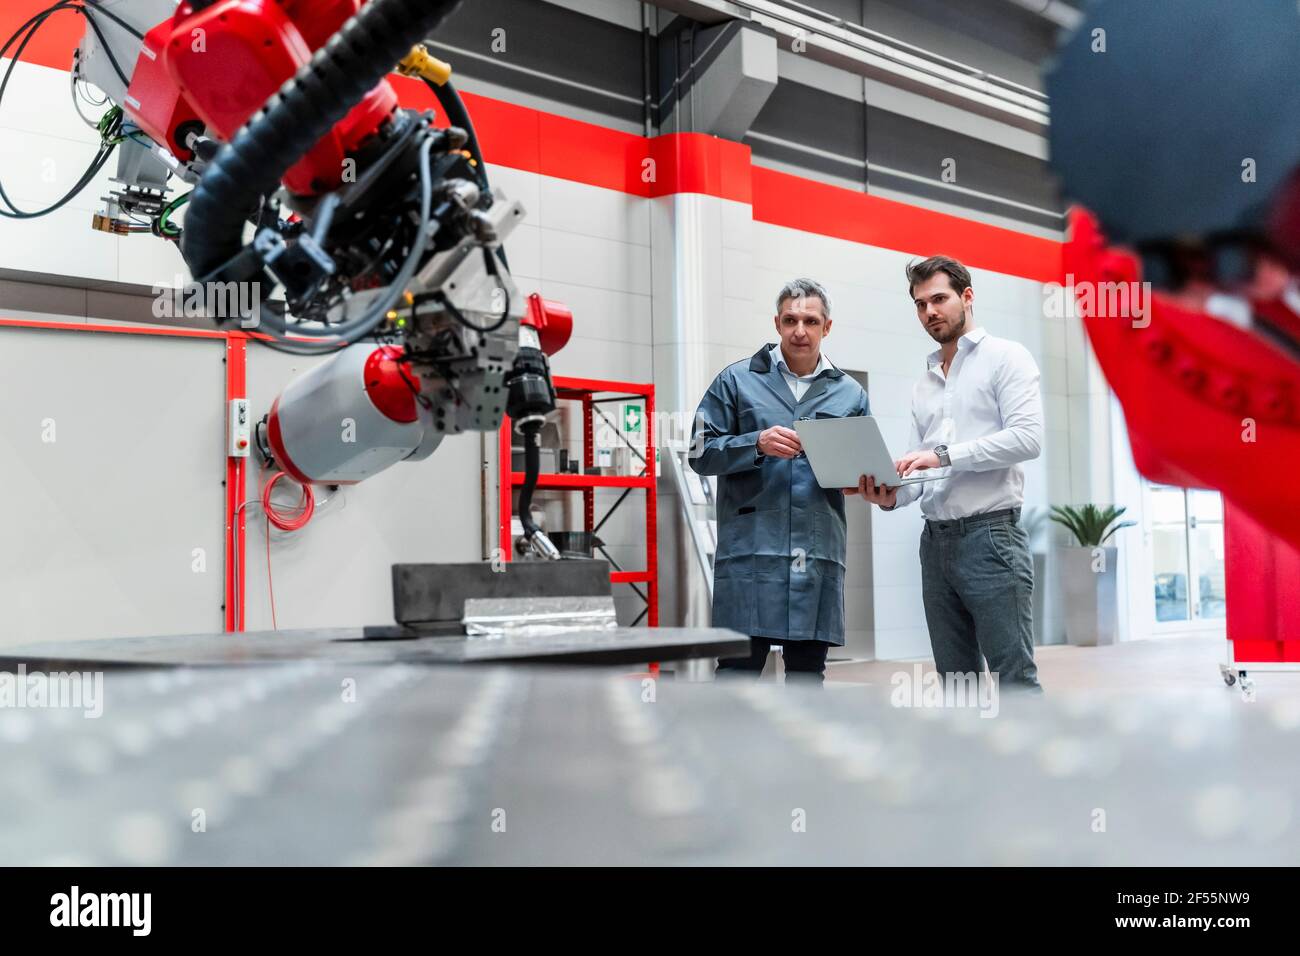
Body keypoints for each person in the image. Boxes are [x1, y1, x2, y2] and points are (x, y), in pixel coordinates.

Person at [849, 256, 1044, 690]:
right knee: (956, 680)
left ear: (967, 296)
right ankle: (966, 760)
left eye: (939, 299)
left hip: (992, 538)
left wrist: (943, 455)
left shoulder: (1006, 357)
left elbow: (1027, 440)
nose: (930, 312)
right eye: (920, 305)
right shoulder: (925, 383)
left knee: (1014, 677)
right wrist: (889, 494)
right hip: (935, 545)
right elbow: (923, 469)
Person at [690, 278, 869, 684]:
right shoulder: (735, 381)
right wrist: (756, 442)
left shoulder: (850, 394)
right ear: (777, 323)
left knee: (807, 674)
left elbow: (862, 466)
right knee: (737, 669)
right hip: (751, 550)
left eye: (810, 320)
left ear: (828, 327)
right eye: (790, 319)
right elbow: (699, 452)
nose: (800, 331)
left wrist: (860, 481)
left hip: (815, 548)